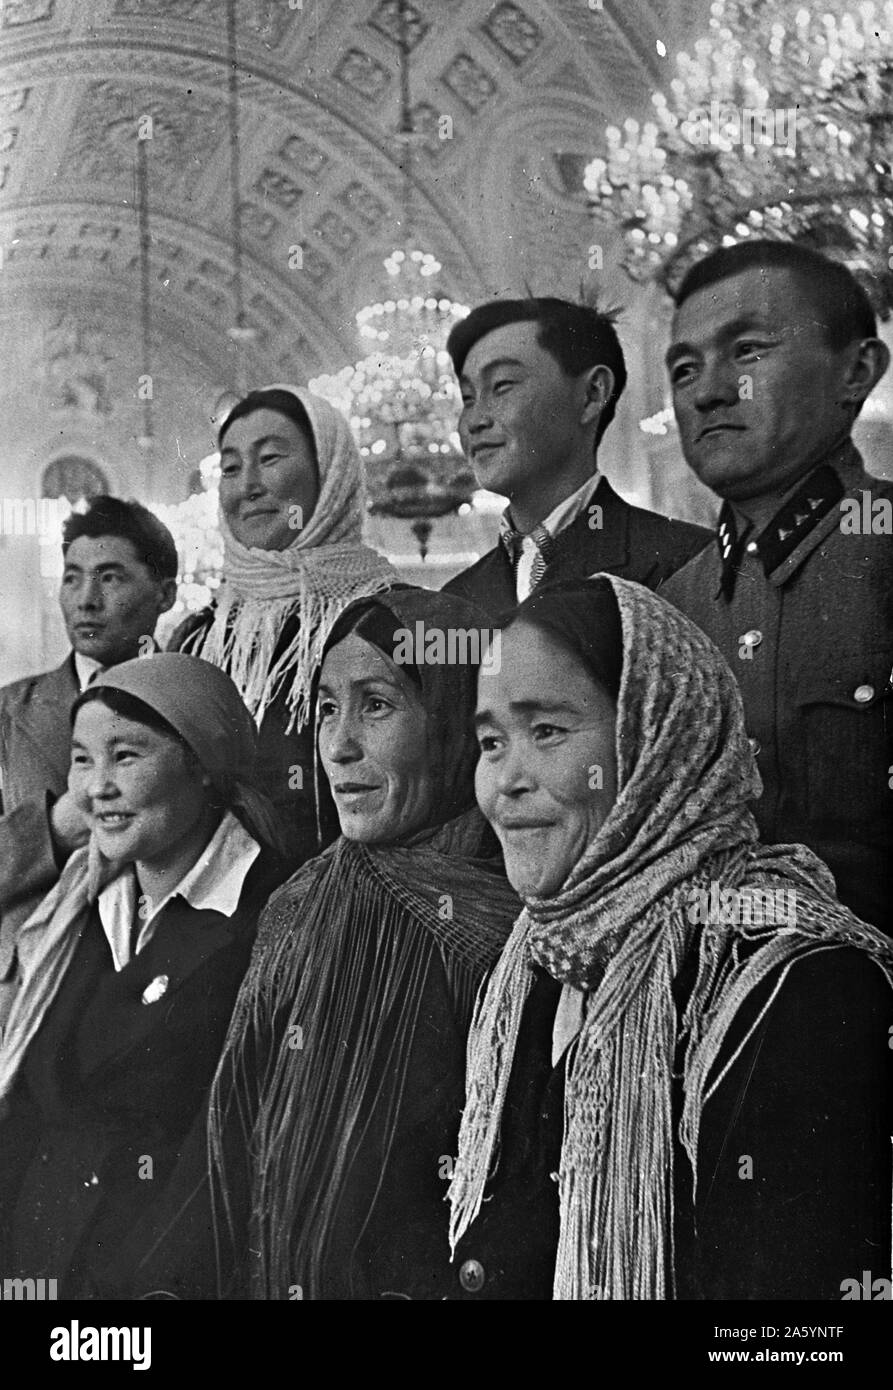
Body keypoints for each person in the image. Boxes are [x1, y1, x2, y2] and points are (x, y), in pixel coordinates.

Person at [447, 575, 893, 1300]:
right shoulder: (534, 960)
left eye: (547, 731)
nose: (504, 782)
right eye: (491, 742)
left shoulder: (797, 985)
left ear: (659, 738)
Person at [201, 588, 520, 1300]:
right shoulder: (299, 904)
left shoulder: (520, 922)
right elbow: (241, 1134)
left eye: (376, 704)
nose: (339, 745)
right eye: (325, 709)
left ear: (457, 721)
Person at [0, 654, 287, 1298]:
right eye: (81, 758)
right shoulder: (84, 908)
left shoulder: (263, 918)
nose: (95, 787)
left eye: (124, 756)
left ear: (202, 766)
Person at [659, 240, 893, 933]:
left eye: (748, 351)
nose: (706, 390)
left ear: (855, 371)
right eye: (682, 368)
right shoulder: (669, 609)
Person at [172, 384, 398, 875]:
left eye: (270, 458)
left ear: (329, 473)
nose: (247, 485)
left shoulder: (387, 618)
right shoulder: (197, 638)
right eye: (230, 468)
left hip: (353, 914)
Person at [0, 496, 178, 1030]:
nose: (86, 600)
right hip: (26, 995)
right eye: (72, 578)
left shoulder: (193, 707)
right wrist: (53, 830)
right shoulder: (8, 714)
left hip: (152, 990)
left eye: (110, 578)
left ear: (164, 594)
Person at [443, 297, 709, 616]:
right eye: (468, 398)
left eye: (501, 386)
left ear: (592, 394)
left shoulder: (691, 564)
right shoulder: (454, 602)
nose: (474, 421)